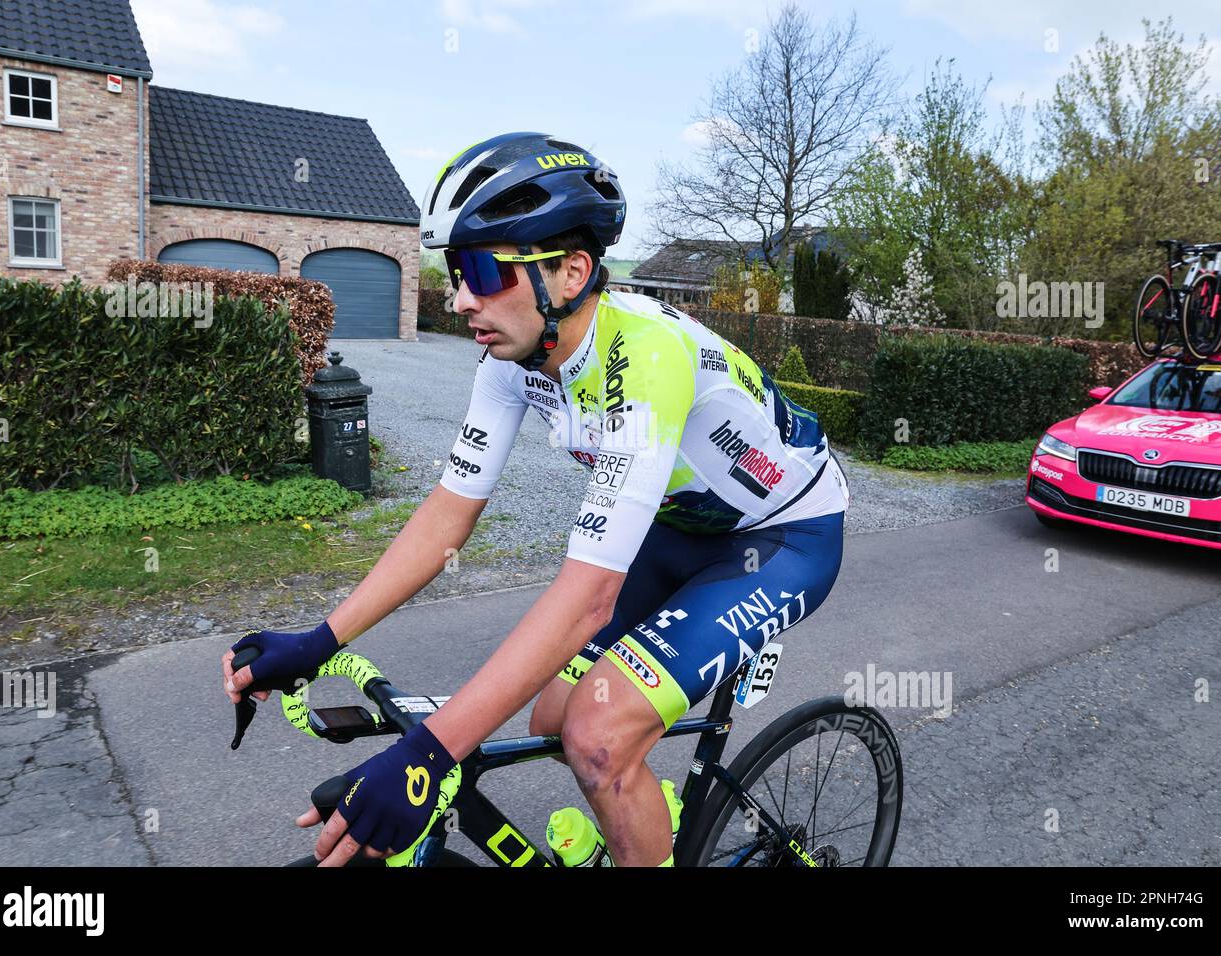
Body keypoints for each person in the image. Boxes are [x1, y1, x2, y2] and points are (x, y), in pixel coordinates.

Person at [221, 132, 850, 867]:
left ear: (571, 273)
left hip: (784, 538)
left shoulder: (646, 360)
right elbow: (448, 516)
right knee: (551, 715)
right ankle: (648, 810)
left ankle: (631, 801)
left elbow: (586, 599)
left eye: (483, 271)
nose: (459, 299)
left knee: (596, 737)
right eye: (456, 272)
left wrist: (427, 755)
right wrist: (318, 641)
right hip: (679, 529)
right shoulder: (511, 354)